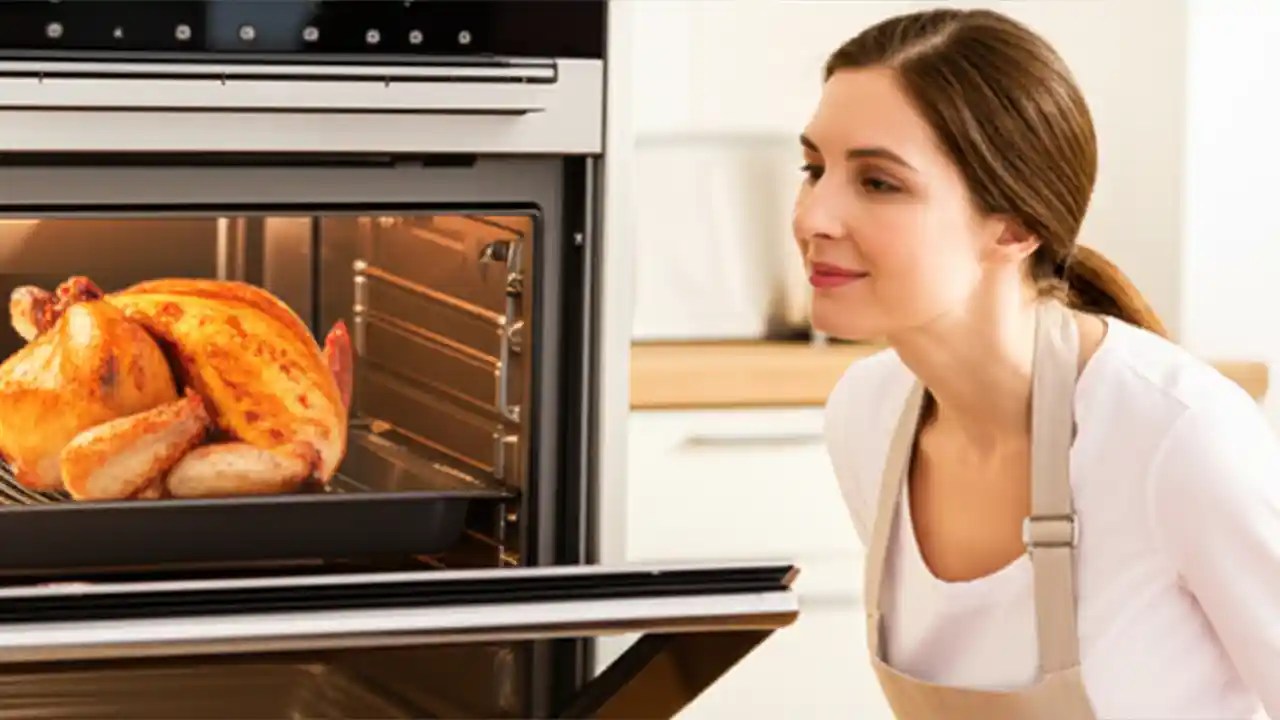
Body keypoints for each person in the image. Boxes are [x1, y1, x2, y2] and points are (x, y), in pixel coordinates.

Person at [799, 8, 1280, 720]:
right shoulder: (866, 416)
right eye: (813, 169)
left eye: (878, 183)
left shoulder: (1177, 436)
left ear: (1015, 226)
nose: (814, 216)